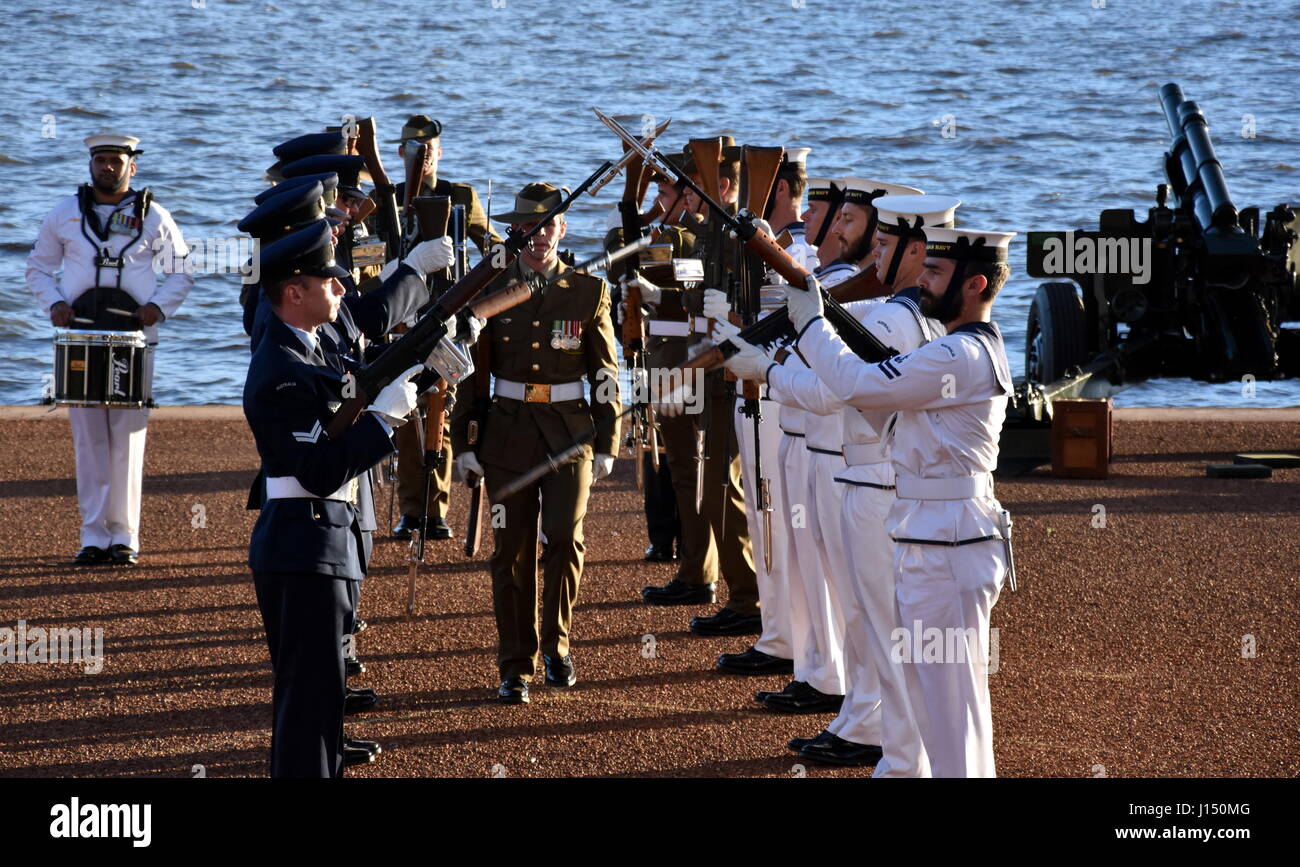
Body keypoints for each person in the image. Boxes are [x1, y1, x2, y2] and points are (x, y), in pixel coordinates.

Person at [725, 225, 1016, 778]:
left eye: (936, 272)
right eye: (925, 267)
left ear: (975, 283)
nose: (922, 281)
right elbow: (874, 398)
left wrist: (812, 320)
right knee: (934, 695)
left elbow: (858, 386)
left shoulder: (958, 354)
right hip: (935, 534)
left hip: (948, 540)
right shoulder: (955, 348)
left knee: (951, 707)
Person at [243, 220, 429, 777]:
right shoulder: (280, 370)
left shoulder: (313, 345)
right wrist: (385, 418)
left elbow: (355, 384)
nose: (343, 289)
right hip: (304, 541)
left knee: (323, 698)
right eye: (330, 281)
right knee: (307, 702)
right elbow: (322, 469)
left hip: (324, 537)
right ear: (293, 292)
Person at [450, 182, 621, 705]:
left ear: (562, 229)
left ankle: (557, 649)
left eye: (549, 225)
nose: (540, 236)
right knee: (511, 552)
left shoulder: (589, 291)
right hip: (506, 435)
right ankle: (515, 665)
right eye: (530, 227)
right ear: (516, 231)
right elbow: (469, 375)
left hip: (571, 436)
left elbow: (607, 373)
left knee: (565, 541)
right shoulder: (488, 289)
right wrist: (464, 443)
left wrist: (609, 437)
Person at [25, 133, 194, 566]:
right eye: (100, 160)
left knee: (127, 439)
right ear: (91, 164)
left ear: (131, 167)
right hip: (79, 336)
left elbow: (182, 271)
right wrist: (54, 304)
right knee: (88, 440)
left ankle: (125, 538)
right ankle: (92, 536)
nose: (107, 167)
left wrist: (158, 307)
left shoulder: (155, 216)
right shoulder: (63, 214)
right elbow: (38, 268)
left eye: (116, 161)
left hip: (134, 339)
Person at [643, 139, 761, 639]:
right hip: (705, 369)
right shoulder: (712, 233)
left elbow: (762, 307)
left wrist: (728, 315)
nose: (687, 199)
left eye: (692, 190)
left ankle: (749, 597)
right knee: (710, 488)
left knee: (725, 489)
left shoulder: (742, 234)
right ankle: (737, 592)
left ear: (724, 186)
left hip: (732, 375)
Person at [389, 114, 500, 542]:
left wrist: (481, 306)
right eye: (417, 147)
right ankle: (411, 509)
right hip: (401, 318)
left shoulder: (461, 196)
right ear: (402, 152)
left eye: (432, 147)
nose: (426, 154)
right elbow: (368, 256)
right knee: (405, 413)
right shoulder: (389, 200)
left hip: (448, 315)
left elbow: (491, 249)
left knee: (442, 406)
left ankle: (435, 510)